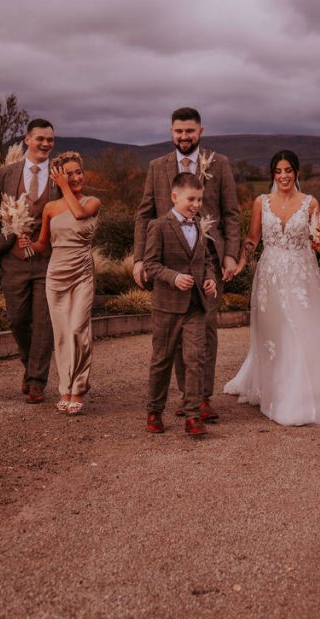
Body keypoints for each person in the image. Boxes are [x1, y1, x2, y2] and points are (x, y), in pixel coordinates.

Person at [223, 151, 320, 426]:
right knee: (277, 332)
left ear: (297, 173)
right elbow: (252, 238)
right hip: (270, 276)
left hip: (302, 277)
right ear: (272, 175)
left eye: (288, 170)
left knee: (306, 329)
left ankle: (308, 396)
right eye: (278, 171)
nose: (283, 176)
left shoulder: (310, 204)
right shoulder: (261, 202)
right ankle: (281, 387)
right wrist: (239, 264)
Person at [133, 107, 240, 423]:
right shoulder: (157, 167)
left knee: (204, 331)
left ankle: (201, 398)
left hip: (208, 262)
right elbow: (144, 214)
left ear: (200, 132)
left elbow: (231, 213)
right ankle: (185, 395)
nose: (184, 136)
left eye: (190, 131)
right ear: (171, 132)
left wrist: (230, 255)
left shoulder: (219, 165)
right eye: (178, 131)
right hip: (168, 262)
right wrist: (139, 259)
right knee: (174, 332)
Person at [0, 118, 61, 404]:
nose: (45, 144)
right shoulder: (7, 173)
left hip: (48, 259)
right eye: (40, 138)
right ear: (27, 139)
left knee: (44, 321)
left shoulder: (59, 174)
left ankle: (37, 379)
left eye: (50, 140)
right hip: (13, 260)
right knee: (17, 319)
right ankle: (30, 365)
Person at [19, 152, 101, 415]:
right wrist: (28, 244)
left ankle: (78, 388)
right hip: (56, 275)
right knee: (63, 334)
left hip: (82, 273)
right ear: (57, 176)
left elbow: (78, 214)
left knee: (79, 329)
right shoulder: (50, 208)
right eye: (69, 174)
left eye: (78, 172)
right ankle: (65, 388)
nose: (76, 177)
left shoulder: (91, 202)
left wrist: (64, 186)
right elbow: (43, 246)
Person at [142, 173, 219, 437]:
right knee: (161, 360)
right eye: (191, 199)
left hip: (196, 305)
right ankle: (154, 411)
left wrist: (209, 279)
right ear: (175, 197)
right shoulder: (158, 226)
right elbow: (150, 264)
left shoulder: (198, 225)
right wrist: (174, 277)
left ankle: (193, 415)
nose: (196, 205)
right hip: (167, 306)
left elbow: (206, 260)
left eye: (199, 199)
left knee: (196, 359)